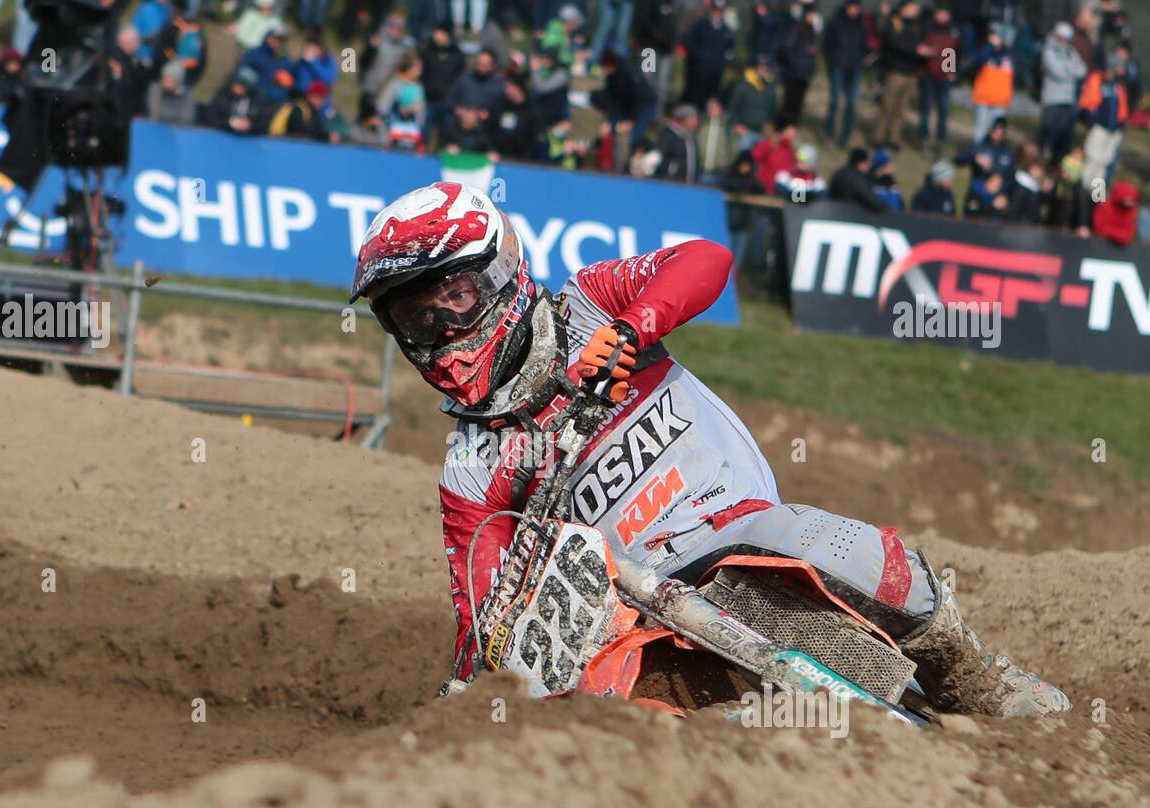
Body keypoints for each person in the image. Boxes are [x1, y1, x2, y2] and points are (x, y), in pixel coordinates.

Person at [347, 181, 1071, 718]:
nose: (439, 326)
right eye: (414, 314)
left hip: (740, 526)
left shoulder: (588, 308)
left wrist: (635, 329)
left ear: (500, 274)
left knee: (859, 557)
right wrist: (470, 697)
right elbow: (484, 616)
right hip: (640, 619)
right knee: (598, 713)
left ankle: (969, 670)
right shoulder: (473, 467)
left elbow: (705, 261)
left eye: (455, 298)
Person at [875, 0, 926, 149]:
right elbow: (894, 42)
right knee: (887, 105)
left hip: (911, 73)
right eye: (913, 6)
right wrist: (915, 49)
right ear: (904, 8)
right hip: (896, 71)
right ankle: (878, 136)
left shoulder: (918, 26)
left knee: (901, 109)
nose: (916, 10)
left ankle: (894, 138)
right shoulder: (895, 22)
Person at [1038, 22, 1089, 167]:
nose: (1064, 42)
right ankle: (1041, 163)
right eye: (1061, 38)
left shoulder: (1071, 52)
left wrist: (1067, 69)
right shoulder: (1049, 51)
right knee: (1048, 132)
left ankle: (1055, 165)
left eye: (1066, 39)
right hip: (1052, 99)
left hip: (1068, 100)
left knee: (1063, 135)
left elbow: (1082, 70)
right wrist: (1070, 70)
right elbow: (1057, 72)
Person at [1076, 50, 1130, 189]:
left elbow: (1122, 109)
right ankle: (1083, 193)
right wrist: (1093, 119)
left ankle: (1095, 197)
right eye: (1120, 66)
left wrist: (1121, 124)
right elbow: (1089, 102)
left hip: (1113, 131)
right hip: (1100, 128)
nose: (1123, 70)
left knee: (1103, 163)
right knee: (1092, 159)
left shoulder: (1118, 85)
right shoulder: (1099, 79)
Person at [822, 0, 868, 146]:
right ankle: (829, 133)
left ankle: (845, 136)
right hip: (838, 65)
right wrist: (832, 60)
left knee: (852, 103)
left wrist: (862, 61)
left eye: (856, 8)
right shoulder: (836, 22)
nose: (853, 10)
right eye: (851, 7)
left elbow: (865, 45)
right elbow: (826, 44)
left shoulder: (862, 24)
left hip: (855, 68)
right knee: (835, 101)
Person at [681, 0, 736, 110]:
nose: (717, 13)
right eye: (715, 10)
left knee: (711, 98)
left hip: (715, 72)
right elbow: (689, 43)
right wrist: (700, 58)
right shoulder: (700, 25)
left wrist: (723, 61)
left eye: (720, 11)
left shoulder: (726, 31)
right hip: (698, 71)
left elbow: (729, 50)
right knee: (693, 98)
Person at [919, 5, 958, 156]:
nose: (942, 16)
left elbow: (955, 53)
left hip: (944, 76)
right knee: (926, 109)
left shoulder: (953, 31)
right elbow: (920, 50)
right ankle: (925, 139)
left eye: (945, 13)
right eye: (940, 13)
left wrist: (952, 71)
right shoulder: (927, 29)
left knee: (943, 110)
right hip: (928, 75)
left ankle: (941, 141)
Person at [725, 54, 778, 153]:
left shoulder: (770, 90)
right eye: (760, 67)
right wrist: (736, 125)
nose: (762, 70)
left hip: (762, 134)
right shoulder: (742, 87)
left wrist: (771, 130)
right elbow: (731, 109)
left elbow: (772, 112)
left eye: (765, 67)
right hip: (745, 133)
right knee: (742, 160)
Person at [971, 30, 1014, 142]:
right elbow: (977, 62)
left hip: (1000, 99)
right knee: (981, 126)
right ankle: (978, 150)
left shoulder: (1009, 55)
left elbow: (1016, 76)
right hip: (984, 97)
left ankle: (992, 152)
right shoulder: (985, 51)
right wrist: (989, 47)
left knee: (996, 128)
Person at [829, 146, 889, 212]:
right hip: (851, 214)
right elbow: (869, 199)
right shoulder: (858, 179)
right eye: (867, 163)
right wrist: (886, 208)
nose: (868, 166)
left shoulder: (838, 173)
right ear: (861, 163)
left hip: (835, 211)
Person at [653, 103, 699, 183]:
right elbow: (658, 156)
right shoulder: (669, 135)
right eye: (693, 119)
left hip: (689, 182)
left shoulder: (691, 137)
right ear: (684, 120)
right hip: (672, 183)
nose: (696, 123)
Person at [1090, 179, 1138, 246]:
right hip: (1100, 244)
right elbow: (1099, 228)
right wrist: (1119, 236)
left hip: (1119, 249)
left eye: (1132, 199)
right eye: (1128, 199)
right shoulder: (1105, 207)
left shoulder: (1131, 211)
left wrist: (1122, 236)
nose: (1130, 202)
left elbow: (1129, 231)